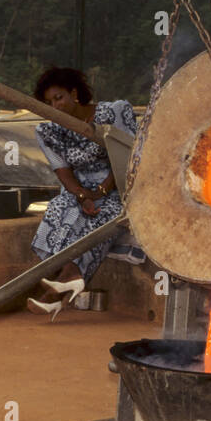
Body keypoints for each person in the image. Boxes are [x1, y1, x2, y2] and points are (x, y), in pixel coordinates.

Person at [25, 66, 144, 320]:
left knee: (103, 217)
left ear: (74, 93)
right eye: (49, 102)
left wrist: (102, 190)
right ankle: (67, 280)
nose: (55, 106)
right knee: (61, 209)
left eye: (59, 98)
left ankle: (62, 286)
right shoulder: (50, 131)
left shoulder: (112, 112)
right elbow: (63, 171)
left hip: (119, 186)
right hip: (79, 189)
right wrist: (81, 195)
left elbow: (129, 157)